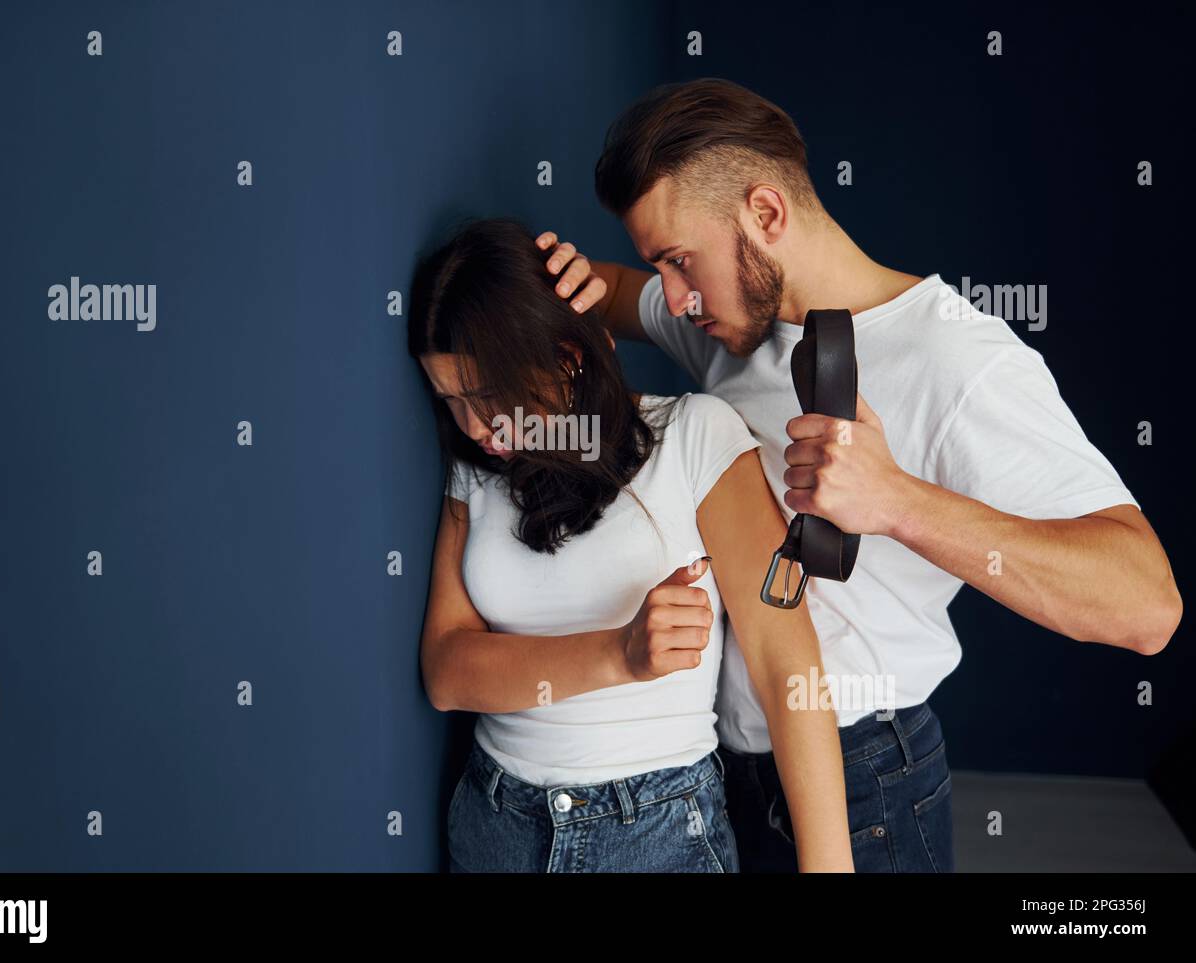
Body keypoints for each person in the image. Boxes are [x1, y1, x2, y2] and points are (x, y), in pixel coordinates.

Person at [533, 77, 1182, 872]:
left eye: (678, 260)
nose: (670, 296)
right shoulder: (732, 320)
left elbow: (1147, 604)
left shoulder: (956, 359)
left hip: (868, 780)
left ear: (766, 214)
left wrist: (898, 501)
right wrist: (566, 287)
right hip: (724, 771)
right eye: (657, 266)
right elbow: (617, 294)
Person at [409, 216, 854, 872]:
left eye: (486, 396)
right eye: (450, 400)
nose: (476, 427)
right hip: (494, 821)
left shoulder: (693, 435)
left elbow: (785, 659)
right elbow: (447, 673)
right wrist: (618, 654)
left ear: (568, 355)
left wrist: (829, 868)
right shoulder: (475, 468)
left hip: (655, 828)